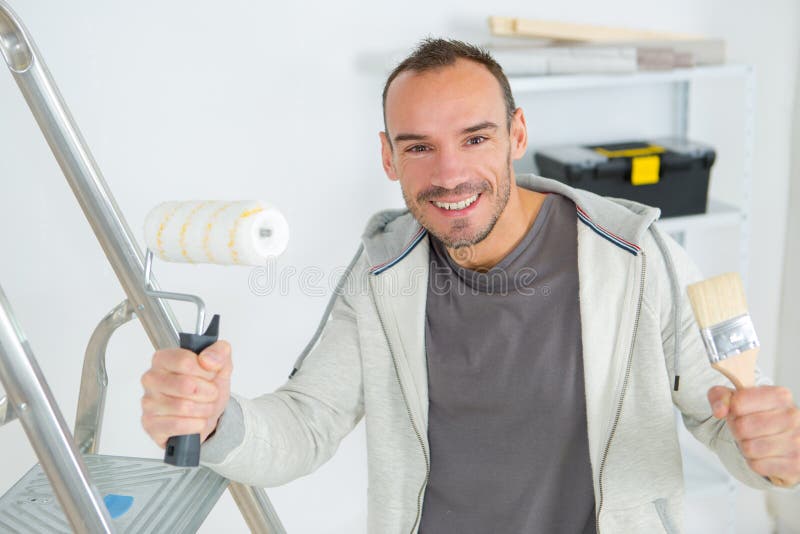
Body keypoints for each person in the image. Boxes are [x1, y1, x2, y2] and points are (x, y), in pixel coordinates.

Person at [140, 39, 800, 533]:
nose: (449, 173)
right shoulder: (380, 274)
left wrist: (774, 453)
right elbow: (307, 425)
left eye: (474, 137)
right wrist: (215, 418)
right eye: (419, 146)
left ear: (517, 134)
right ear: (388, 156)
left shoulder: (639, 257)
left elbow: (730, 428)